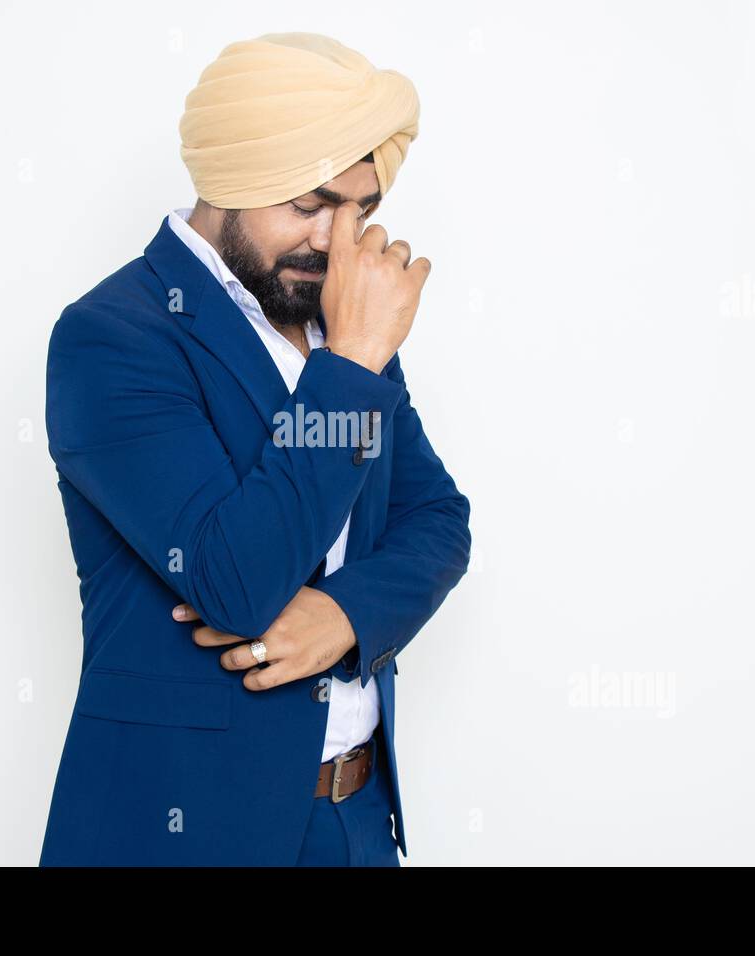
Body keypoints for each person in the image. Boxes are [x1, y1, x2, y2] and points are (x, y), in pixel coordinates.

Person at [39, 32, 471, 866]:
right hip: (186, 831)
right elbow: (234, 580)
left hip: (353, 819)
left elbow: (438, 520)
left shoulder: (342, 329)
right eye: (310, 204)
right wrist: (349, 364)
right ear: (229, 183)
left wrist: (345, 615)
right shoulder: (114, 338)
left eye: (362, 211)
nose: (337, 244)